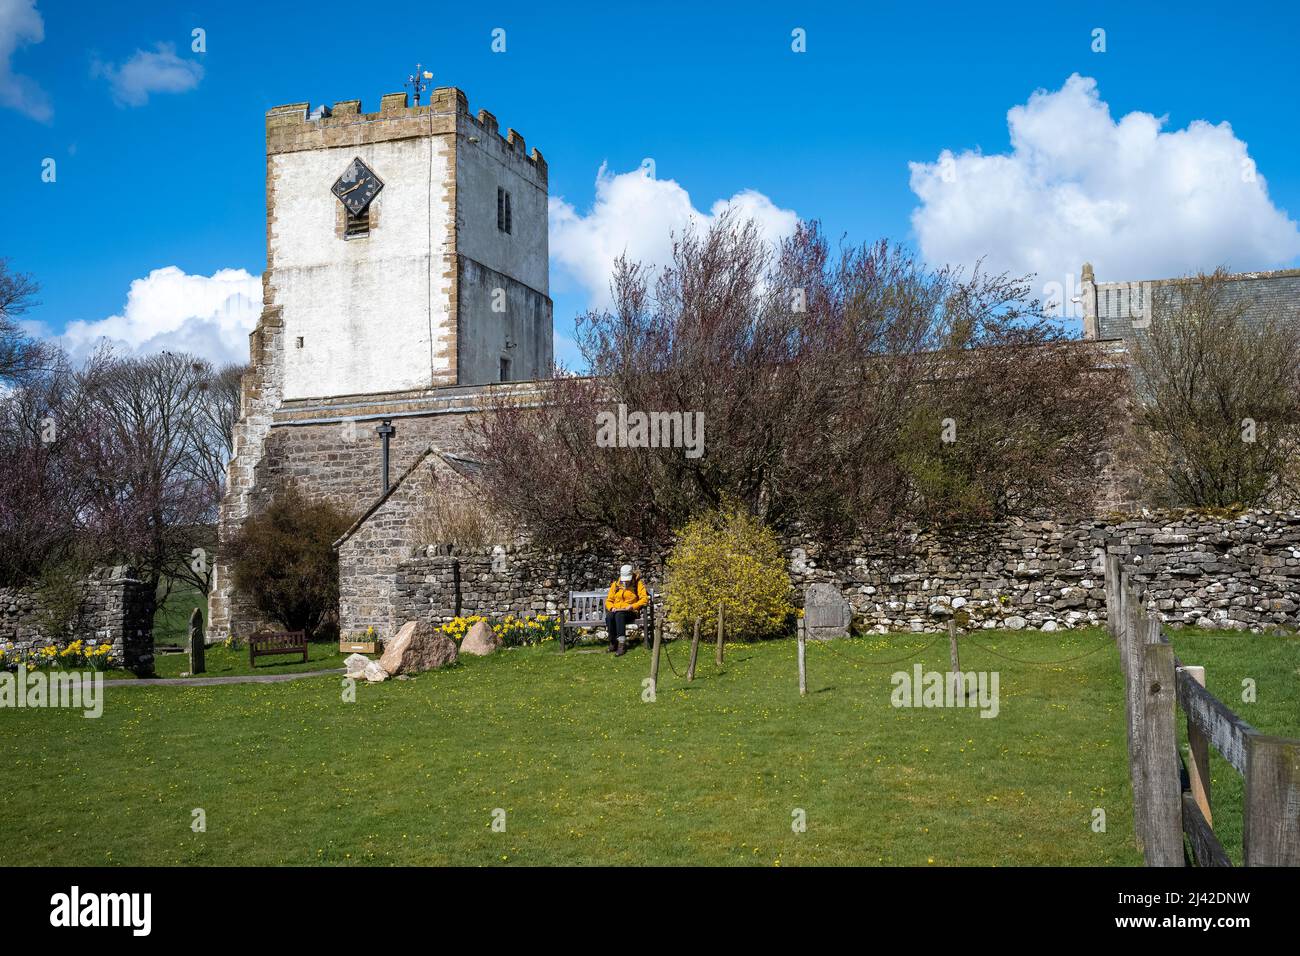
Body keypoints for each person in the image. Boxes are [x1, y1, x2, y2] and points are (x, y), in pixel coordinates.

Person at [604, 563, 648, 656]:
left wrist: (633, 606)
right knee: (609, 616)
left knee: (619, 615)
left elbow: (644, 599)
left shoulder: (638, 583)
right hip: (617, 611)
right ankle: (613, 642)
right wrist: (612, 608)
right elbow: (609, 600)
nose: (626, 582)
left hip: (631, 611)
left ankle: (622, 645)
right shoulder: (615, 585)